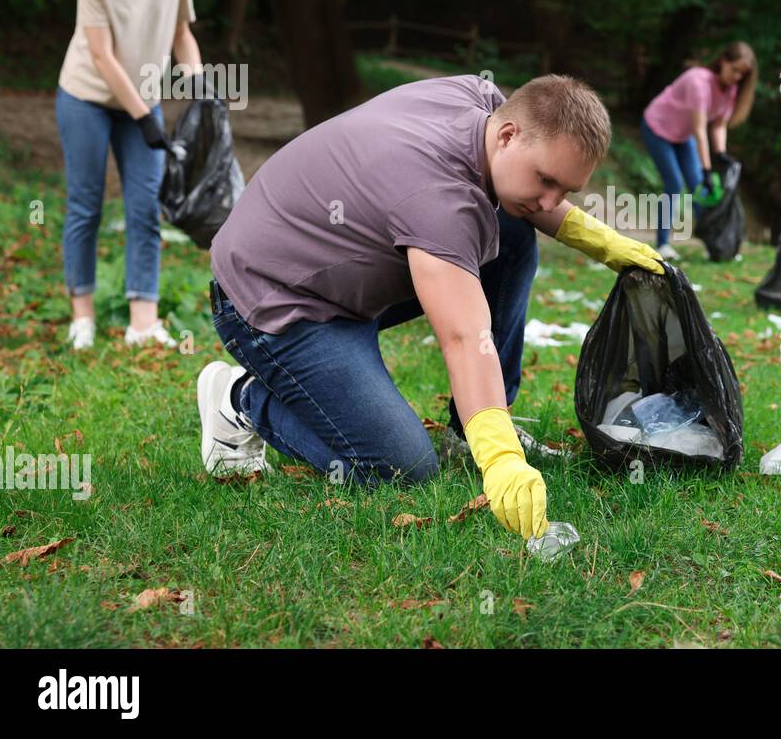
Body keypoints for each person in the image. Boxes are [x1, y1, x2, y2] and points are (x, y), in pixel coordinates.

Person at [196, 74, 665, 541]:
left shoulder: (481, 101)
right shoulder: (440, 200)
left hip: (336, 266)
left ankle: (471, 428)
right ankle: (238, 398)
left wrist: (598, 240)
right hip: (276, 301)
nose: (551, 202)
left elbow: (522, 194)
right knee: (401, 466)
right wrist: (501, 460)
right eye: (545, 181)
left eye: (564, 192)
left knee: (514, 230)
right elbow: (464, 336)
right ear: (507, 136)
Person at [56, 0, 201, 349]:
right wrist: (144, 116)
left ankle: (143, 323)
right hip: (88, 97)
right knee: (87, 205)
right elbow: (101, 55)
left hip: (144, 101)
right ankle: (82, 318)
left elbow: (181, 34)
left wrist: (200, 87)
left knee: (145, 209)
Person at [640, 41, 757, 260]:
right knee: (674, 183)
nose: (738, 77)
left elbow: (719, 125)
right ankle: (662, 244)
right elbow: (700, 129)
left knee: (699, 189)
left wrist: (720, 154)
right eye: (735, 70)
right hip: (658, 128)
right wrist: (707, 169)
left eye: (743, 74)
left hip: (683, 135)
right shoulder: (698, 82)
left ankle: (716, 246)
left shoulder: (730, 91)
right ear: (723, 61)